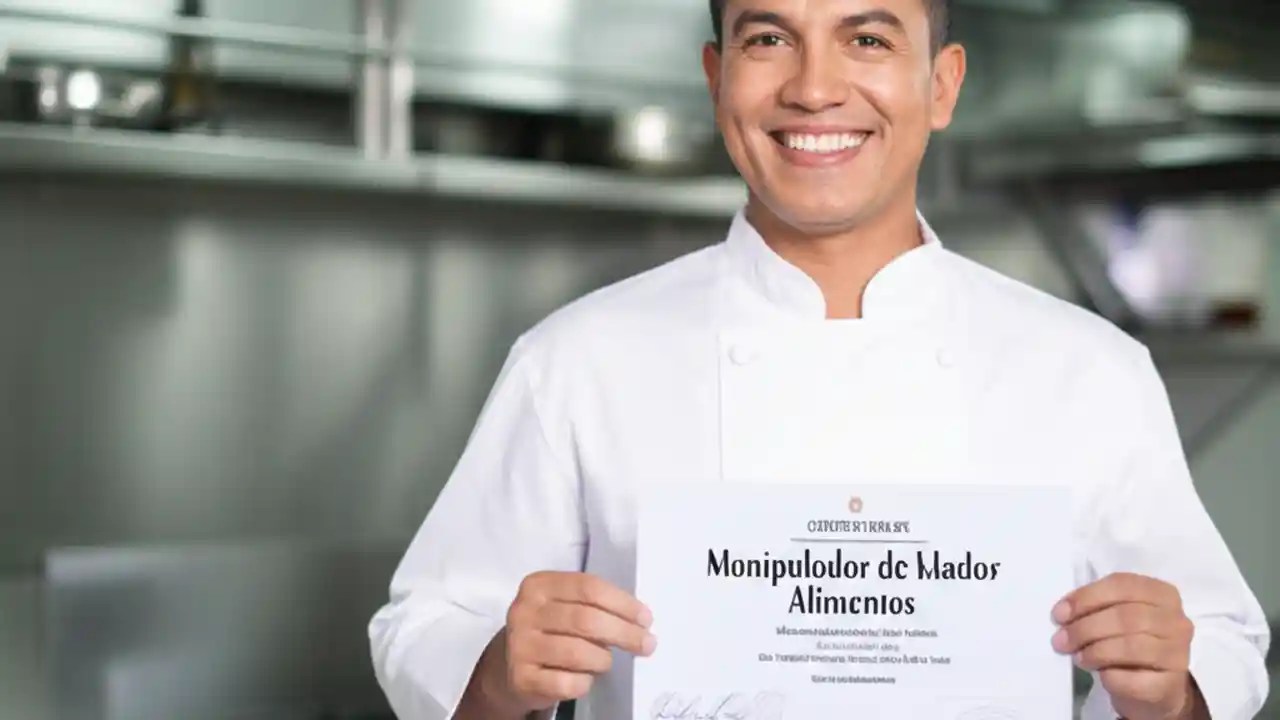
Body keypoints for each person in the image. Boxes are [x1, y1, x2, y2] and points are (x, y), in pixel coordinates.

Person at [368, 0, 1271, 718]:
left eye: (867, 37)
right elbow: (428, 624)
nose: (813, 88)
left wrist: (1174, 690)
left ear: (942, 84)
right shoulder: (578, 359)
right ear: (718, 76)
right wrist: (493, 674)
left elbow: (1223, 640)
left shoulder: (1090, 371)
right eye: (769, 37)